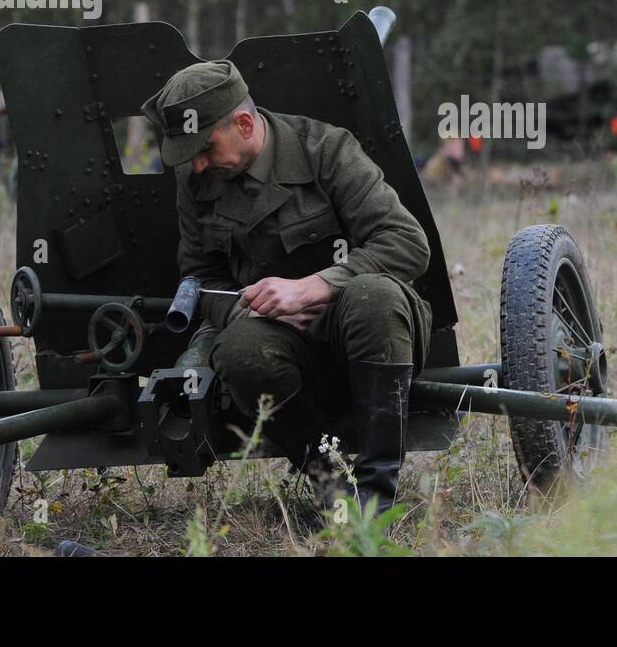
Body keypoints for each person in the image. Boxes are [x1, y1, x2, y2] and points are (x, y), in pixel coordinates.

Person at [140, 60, 432, 515]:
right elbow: (201, 277)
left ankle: (376, 500)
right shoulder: (197, 181)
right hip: (282, 342)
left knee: (373, 296)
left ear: (244, 123)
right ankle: (334, 491)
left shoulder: (326, 149)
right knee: (240, 350)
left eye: (205, 147)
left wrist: (316, 286)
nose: (196, 163)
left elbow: (407, 243)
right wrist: (250, 312)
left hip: (370, 330)